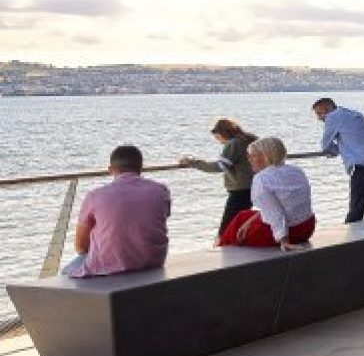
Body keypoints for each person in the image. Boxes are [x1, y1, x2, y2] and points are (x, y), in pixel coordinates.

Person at [61, 145, 171, 278]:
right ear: (141, 167)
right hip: (153, 261)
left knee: (65, 274)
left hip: (110, 266)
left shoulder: (95, 196)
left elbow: (81, 246)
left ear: (110, 170)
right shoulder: (161, 190)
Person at [217, 136, 316, 250]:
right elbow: (287, 205)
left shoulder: (262, 179)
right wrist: (250, 221)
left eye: (253, 155)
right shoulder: (296, 171)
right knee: (243, 216)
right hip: (307, 226)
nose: (249, 159)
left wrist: (284, 241)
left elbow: (275, 214)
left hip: (290, 232)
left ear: (266, 156)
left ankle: (223, 252)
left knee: (234, 233)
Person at [312, 97, 364, 222]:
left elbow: (325, 145)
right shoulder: (351, 113)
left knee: (357, 208)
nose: (319, 118)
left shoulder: (333, 117)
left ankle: (351, 239)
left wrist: (334, 151)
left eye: (318, 114)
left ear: (326, 109)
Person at [177, 118, 258, 237]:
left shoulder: (233, 144)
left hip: (240, 189)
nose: (220, 142)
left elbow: (220, 166)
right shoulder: (250, 139)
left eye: (218, 138)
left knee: (226, 228)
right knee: (242, 223)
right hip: (255, 185)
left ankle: (225, 249)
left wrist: (193, 162)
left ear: (223, 133)